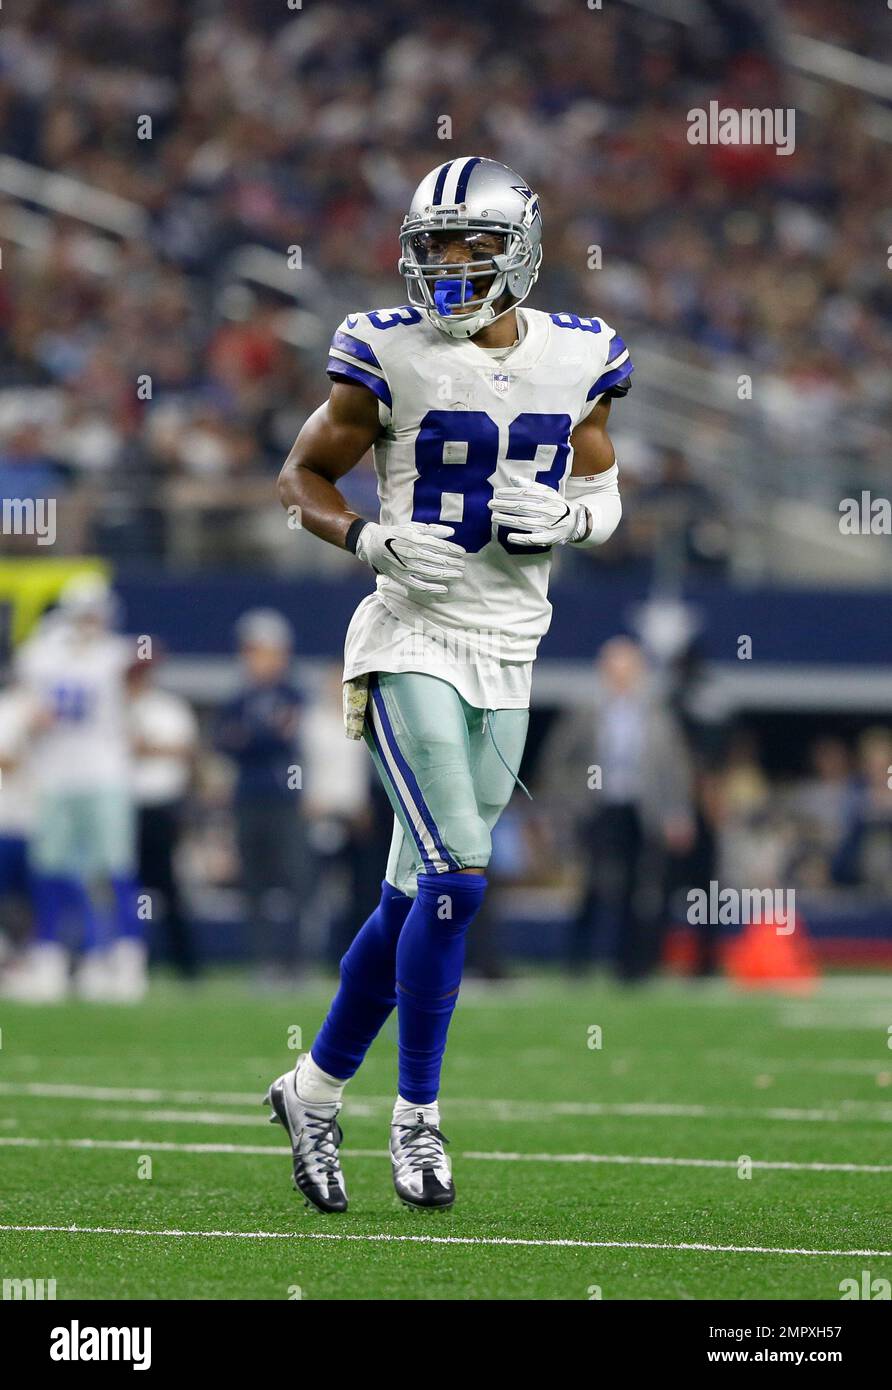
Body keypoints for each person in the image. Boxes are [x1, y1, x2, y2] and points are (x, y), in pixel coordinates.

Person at [266, 157, 631, 1212]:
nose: (450, 266)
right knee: (462, 878)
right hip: (409, 637)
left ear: (518, 248)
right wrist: (367, 536)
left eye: (471, 245)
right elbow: (298, 478)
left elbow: (604, 487)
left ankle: (312, 1087)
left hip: (509, 646)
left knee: (412, 896)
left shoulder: (580, 355)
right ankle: (416, 1118)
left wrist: (570, 520)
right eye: (434, 246)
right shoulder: (382, 348)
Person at [7, 576, 147, 1003]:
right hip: (55, 777)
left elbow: (143, 663)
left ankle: (123, 957)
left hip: (103, 775)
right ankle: (52, 957)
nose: (91, 623)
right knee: (52, 871)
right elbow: (34, 707)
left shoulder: (115, 654)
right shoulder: (42, 654)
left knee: (114, 870)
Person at [539, 638, 695, 981]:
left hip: (639, 809)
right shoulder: (586, 709)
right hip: (597, 809)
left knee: (637, 889)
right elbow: (557, 759)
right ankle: (577, 963)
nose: (622, 676)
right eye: (615, 669)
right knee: (592, 884)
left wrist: (677, 813)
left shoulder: (655, 712)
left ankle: (630, 966)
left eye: (628, 668)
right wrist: (568, 801)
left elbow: (673, 767)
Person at [215, 609, 307, 984]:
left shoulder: (292, 694)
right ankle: (264, 960)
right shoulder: (238, 698)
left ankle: (296, 961)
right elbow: (225, 741)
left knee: (295, 880)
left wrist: (250, 738)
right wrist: (259, 737)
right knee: (254, 882)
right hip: (248, 799)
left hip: (285, 800)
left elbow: (272, 738)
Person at [128, 651, 200, 978]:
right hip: (126, 807)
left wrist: (148, 748)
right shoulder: (115, 707)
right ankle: (129, 958)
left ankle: (184, 962)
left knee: (168, 887)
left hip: (162, 806)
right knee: (126, 888)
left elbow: (187, 750)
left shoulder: (168, 707)